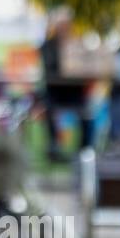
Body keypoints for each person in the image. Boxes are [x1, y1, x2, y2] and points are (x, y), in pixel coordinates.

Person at [40, 15, 93, 161]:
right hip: (55, 93)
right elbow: (50, 70)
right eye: (61, 25)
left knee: (87, 114)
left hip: (74, 93)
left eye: (67, 25)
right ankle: (54, 150)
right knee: (50, 112)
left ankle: (85, 151)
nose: (64, 29)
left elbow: (87, 66)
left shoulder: (78, 44)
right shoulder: (48, 46)